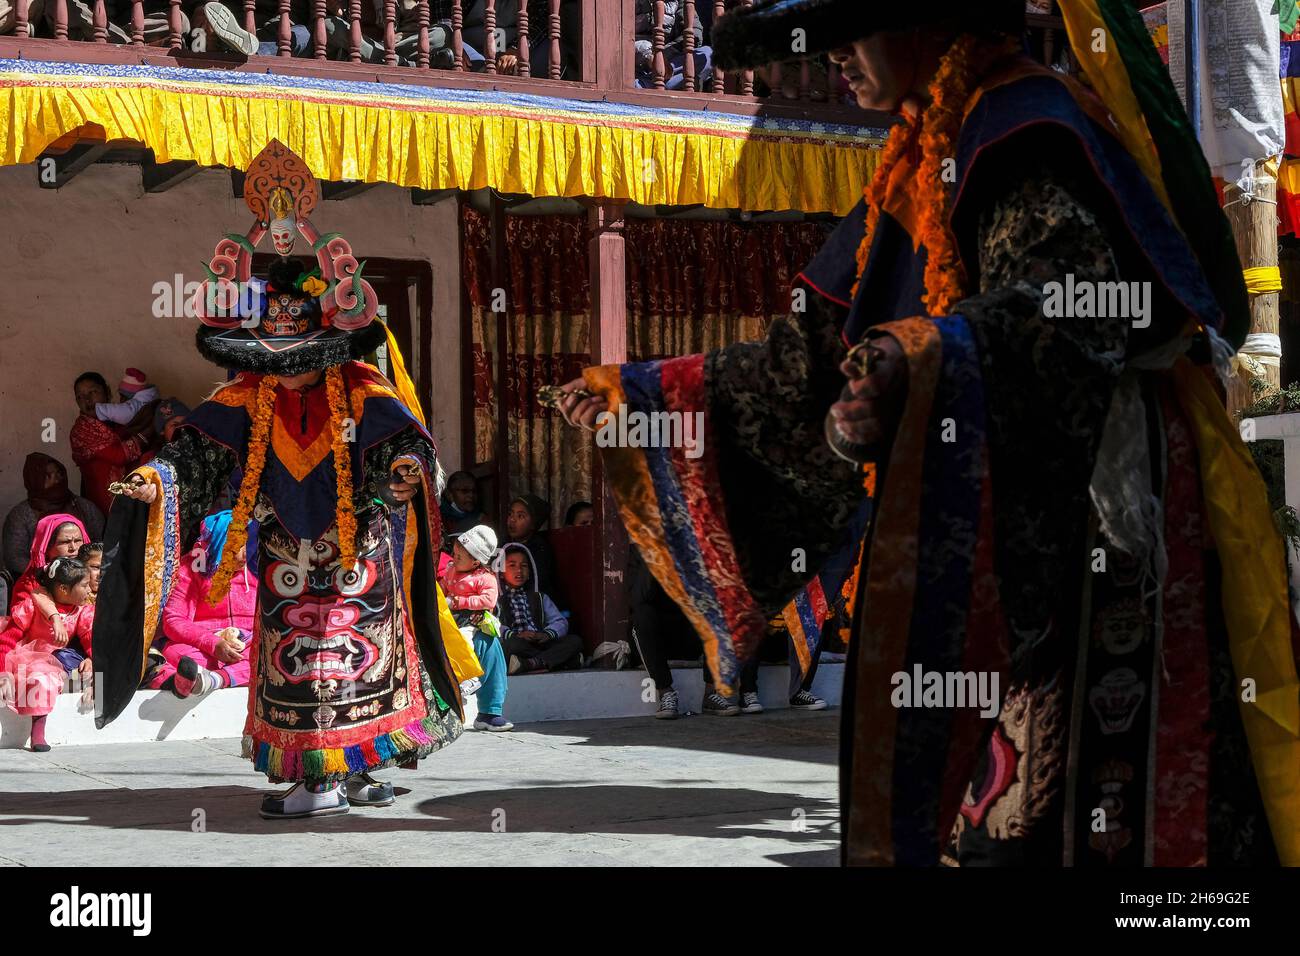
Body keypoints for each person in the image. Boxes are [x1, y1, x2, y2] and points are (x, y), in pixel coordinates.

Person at [556, 0, 1300, 867]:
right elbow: (812, 359)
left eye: (850, 25)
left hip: (1104, 522)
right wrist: (647, 395)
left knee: (1089, 815)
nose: (833, 56)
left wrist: (915, 360)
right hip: (1014, 546)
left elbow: (1073, 317)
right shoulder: (919, 152)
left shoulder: (1025, 123)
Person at [95, 139, 465, 820]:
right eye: (274, 349)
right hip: (284, 558)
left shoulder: (362, 389)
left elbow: (406, 444)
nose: (286, 362)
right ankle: (309, 780)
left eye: (300, 348)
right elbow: (197, 456)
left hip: (360, 559)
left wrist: (408, 471)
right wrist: (155, 481)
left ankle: (353, 774)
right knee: (299, 667)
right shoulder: (245, 397)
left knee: (356, 664)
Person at [151, 511, 255, 698]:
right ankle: (211, 677)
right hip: (203, 649)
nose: (245, 552)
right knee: (177, 654)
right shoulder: (192, 568)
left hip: (246, 647)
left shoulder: (258, 570)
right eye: (237, 544)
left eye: (247, 542)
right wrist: (213, 644)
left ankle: (214, 679)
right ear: (218, 543)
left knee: (270, 657)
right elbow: (173, 621)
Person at [0, 557, 95, 753]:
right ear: (63, 589)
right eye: (84, 585)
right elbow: (8, 639)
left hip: (56, 662)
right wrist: (2, 672)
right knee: (41, 677)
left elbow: (91, 641)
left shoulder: (82, 612)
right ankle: (38, 730)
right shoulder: (32, 605)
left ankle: (38, 729)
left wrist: (92, 659)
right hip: (26, 657)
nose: (89, 590)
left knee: (46, 675)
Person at [3, 453, 103, 579]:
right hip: (39, 579)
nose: (57, 479)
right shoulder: (21, 515)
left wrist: (83, 571)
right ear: (35, 480)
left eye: (59, 474)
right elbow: (14, 558)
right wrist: (48, 573)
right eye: (48, 476)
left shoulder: (84, 507)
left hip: (83, 577)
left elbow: (99, 543)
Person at [70, 372, 151, 516]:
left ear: (107, 391)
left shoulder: (120, 418)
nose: (87, 400)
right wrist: (149, 430)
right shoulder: (82, 430)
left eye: (93, 392)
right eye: (80, 396)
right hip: (105, 505)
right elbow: (119, 455)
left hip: (136, 501)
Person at [495, 542, 581, 675]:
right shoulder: (495, 599)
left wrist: (546, 634)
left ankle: (529, 664)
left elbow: (560, 621)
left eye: (524, 566)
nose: (519, 570)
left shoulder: (540, 597)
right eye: (512, 565)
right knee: (509, 646)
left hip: (539, 643)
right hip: (517, 644)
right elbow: (494, 624)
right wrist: (515, 635)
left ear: (530, 572)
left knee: (575, 641)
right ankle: (562, 661)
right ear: (500, 573)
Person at [505, 493, 560, 605]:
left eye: (520, 516)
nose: (512, 519)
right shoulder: (503, 544)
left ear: (533, 524)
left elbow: (538, 583)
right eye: (511, 514)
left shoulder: (539, 549)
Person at [439, 524, 499, 625]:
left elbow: (489, 600)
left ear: (475, 562)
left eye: (459, 557)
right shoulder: (452, 569)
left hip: (469, 619)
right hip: (447, 613)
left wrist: (463, 602)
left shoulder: (484, 578)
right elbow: (443, 585)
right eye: (454, 554)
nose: (454, 559)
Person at [94, 368, 159, 426]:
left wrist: (99, 409)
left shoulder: (140, 403)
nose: (122, 400)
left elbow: (124, 412)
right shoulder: (148, 397)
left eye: (124, 396)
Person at [440, 469, 488, 545]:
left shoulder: (482, 518)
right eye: (464, 491)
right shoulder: (439, 519)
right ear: (450, 495)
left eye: (474, 491)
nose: (471, 496)